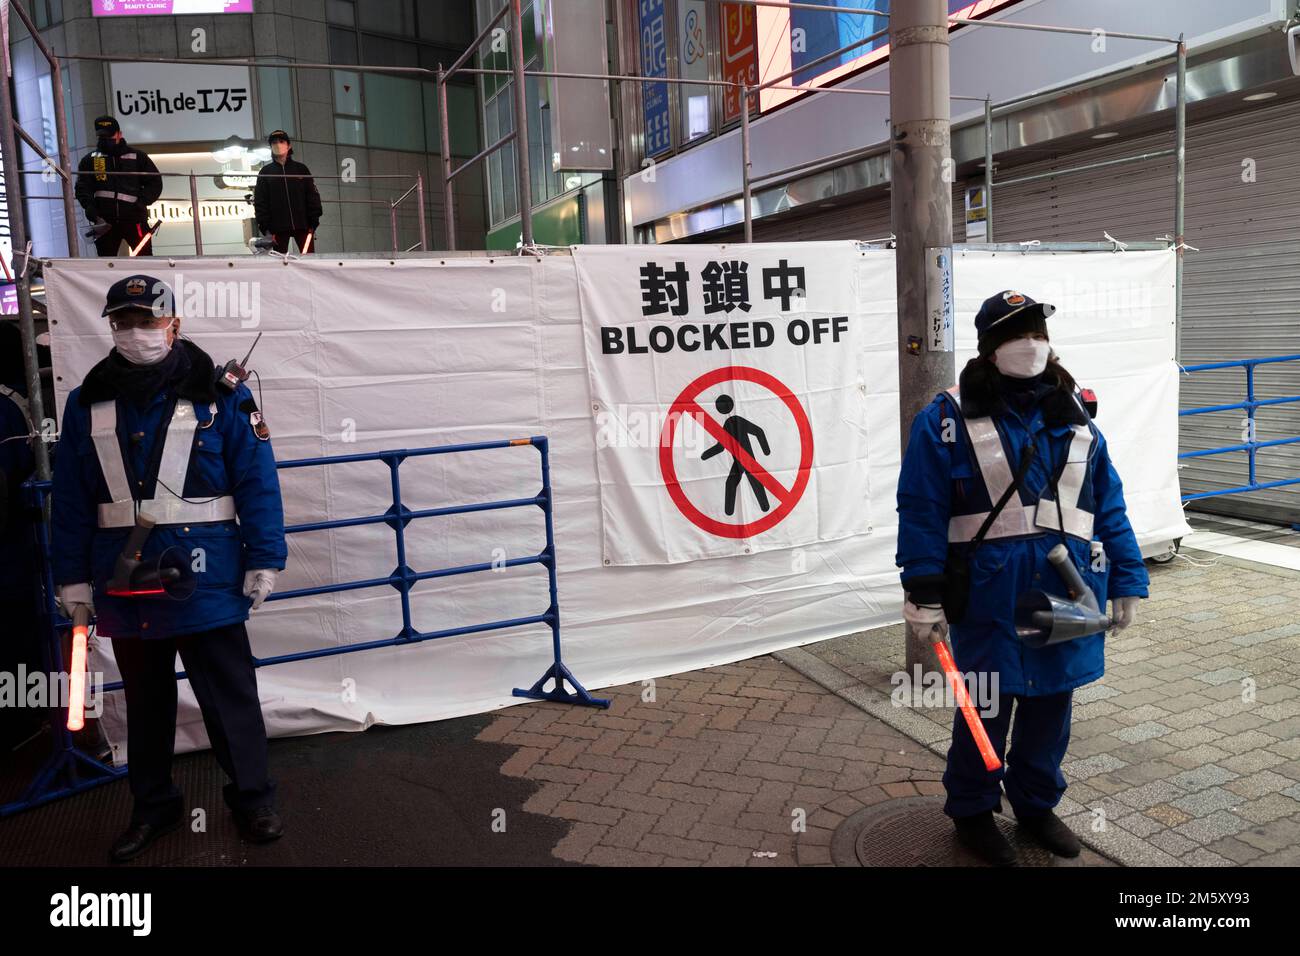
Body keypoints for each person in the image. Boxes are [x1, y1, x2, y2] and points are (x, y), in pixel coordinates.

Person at [895, 289, 1148, 866]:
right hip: (988, 593)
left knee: (1051, 704)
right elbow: (922, 508)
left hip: (1068, 589)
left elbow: (1108, 504)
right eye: (1016, 334)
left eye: (1037, 332)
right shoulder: (946, 418)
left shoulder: (1074, 414)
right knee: (985, 705)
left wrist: (1129, 578)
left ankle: (1035, 806)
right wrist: (924, 592)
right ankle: (973, 811)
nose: (1031, 344)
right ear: (989, 348)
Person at [50, 274, 287, 863]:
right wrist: (71, 577)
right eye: (123, 322)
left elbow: (257, 481)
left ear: (174, 324)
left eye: (147, 321)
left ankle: (252, 799)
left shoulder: (223, 396)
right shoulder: (86, 403)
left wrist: (265, 557)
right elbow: (74, 498)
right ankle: (153, 807)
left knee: (229, 699)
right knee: (146, 706)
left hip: (208, 579)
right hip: (126, 582)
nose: (135, 333)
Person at [0, 322, 41, 751]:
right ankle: (28, 719)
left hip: (11, 544)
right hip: (29, 537)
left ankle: (19, 725)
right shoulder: (26, 397)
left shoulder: (3, 406)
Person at [75, 116, 163, 258]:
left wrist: (141, 202)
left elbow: (155, 182)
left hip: (135, 219)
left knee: (145, 259)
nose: (106, 139)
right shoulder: (90, 159)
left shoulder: (137, 156)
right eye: (102, 136)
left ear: (119, 134)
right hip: (105, 222)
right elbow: (82, 188)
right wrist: (89, 207)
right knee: (107, 264)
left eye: (109, 135)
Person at [253, 130, 321, 254]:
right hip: (277, 228)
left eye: (281, 141)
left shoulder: (301, 169)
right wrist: (266, 227)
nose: (278, 145)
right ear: (270, 147)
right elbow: (260, 201)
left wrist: (313, 221)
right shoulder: (265, 172)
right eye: (274, 142)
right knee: (280, 261)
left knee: (308, 258)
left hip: (304, 225)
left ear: (289, 145)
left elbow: (313, 195)